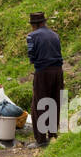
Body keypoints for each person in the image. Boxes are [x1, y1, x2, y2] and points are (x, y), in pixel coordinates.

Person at [27, 11, 63, 147]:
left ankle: (41, 140)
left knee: (39, 104)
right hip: (58, 71)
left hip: (43, 72)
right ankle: (53, 135)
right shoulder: (55, 34)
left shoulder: (32, 36)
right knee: (54, 101)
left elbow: (32, 56)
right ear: (44, 22)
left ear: (34, 25)